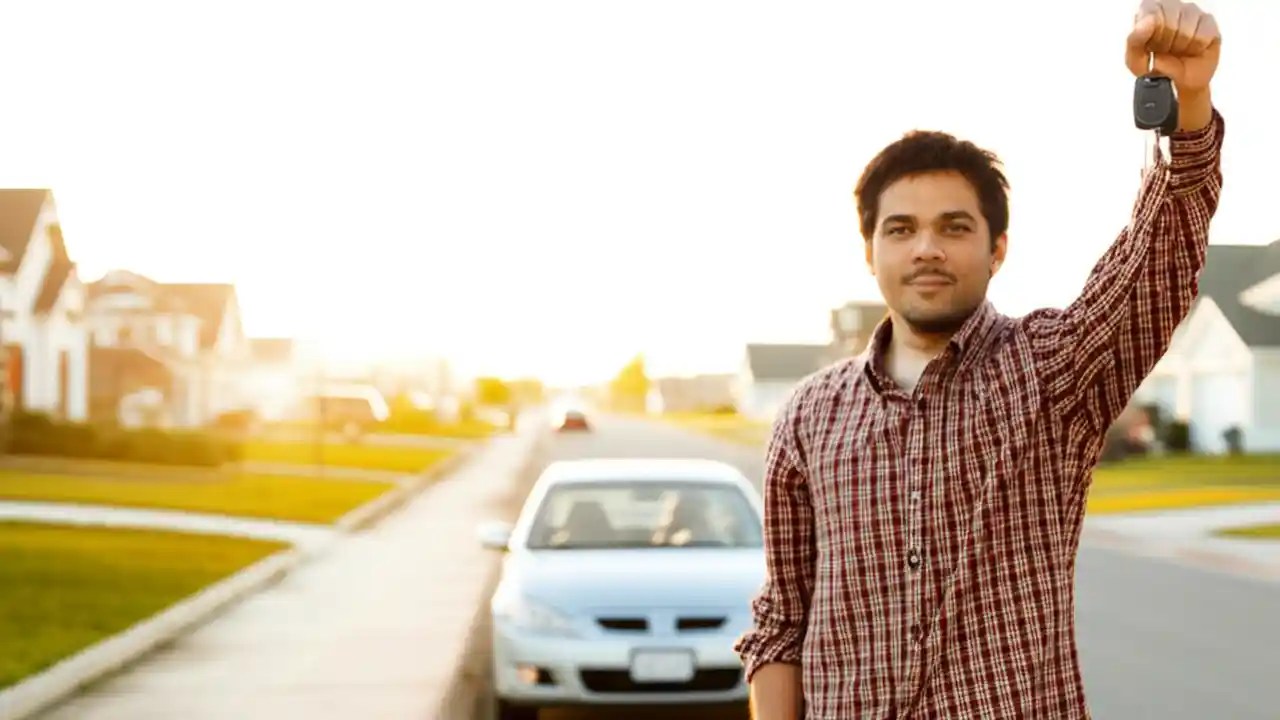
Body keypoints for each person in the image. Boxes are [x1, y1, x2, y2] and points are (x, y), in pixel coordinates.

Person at [733, 1, 1224, 717]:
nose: (926, 247)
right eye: (901, 228)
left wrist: (1187, 111)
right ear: (870, 251)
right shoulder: (808, 416)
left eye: (954, 227)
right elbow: (782, 625)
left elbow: (1154, 259)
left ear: (997, 249)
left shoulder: (1053, 371)